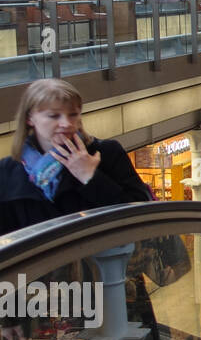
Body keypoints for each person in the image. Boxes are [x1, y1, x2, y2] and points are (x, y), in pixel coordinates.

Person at [1, 79, 152, 233]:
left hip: (103, 253)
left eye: (73, 114)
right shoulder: (8, 171)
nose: (66, 123)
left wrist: (91, 178)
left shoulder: (106, 153)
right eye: (54, 116)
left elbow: (140, 211)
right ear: (29, 118)